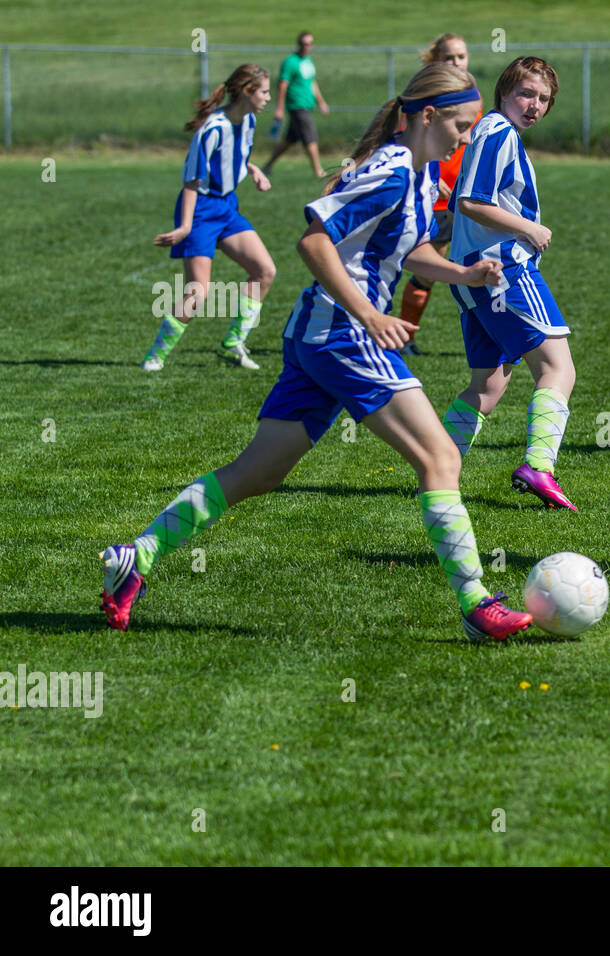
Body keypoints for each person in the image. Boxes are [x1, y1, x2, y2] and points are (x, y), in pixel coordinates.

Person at [100, 63, 533, 642]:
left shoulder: (422, 174)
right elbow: (313, 241)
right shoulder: (392, 171)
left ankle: (139, 553)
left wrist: (463, 273)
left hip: (316, 336)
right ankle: (478, 603)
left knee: (258, 470)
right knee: (440, 459)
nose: (465, 136)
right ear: (427, 116)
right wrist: (371, 314)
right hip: (343, 336)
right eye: (460, 124)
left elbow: (404, 250)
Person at [441, 57, 579, 512]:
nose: (535, 104)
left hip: (471, 276)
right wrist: (529, 229)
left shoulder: (492, 131)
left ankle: (438, 465)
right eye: (527, 93)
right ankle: (540, 465)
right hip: (503, 271)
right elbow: (474, 201)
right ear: (503, 93)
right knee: (558, 368)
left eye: (543, 98)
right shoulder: (498, 130)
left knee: (488, 386)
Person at [144, 64, 275, 372]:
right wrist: (185, 227)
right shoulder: (212, 128)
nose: (269, 97)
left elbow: (237, 156)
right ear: (247, 92)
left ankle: (232, 345)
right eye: (265, 91)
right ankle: (156, 355)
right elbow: (191, 181)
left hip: (227, 207)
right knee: (198, 293)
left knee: (264, 271)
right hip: (200, 209)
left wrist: (253, 170)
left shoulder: (249, 120)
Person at [397, 33, 479, 357]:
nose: (456, 62)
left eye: (461, 56)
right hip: (433, 200)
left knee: (479, 265)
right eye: (449, 57)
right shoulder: (426, 100)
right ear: (436, 61)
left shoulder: (472, 99)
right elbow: (414, 140)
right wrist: (430, 178)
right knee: (424, 270)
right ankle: (403, 336)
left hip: (465, 201)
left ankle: (493, 341)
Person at [264, 31, 330, 179]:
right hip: (296, 105)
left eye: (309, 44)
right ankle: (318, 170)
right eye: (304, 44)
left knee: (290, 140)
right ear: (299, 44)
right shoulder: (290, 62)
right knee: (310, 136)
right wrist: (279, 108)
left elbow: (312, 83)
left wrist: (321, 102)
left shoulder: (308, 61)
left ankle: (267, 166)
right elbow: (282, 85)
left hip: (307, 104)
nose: (307, 47)